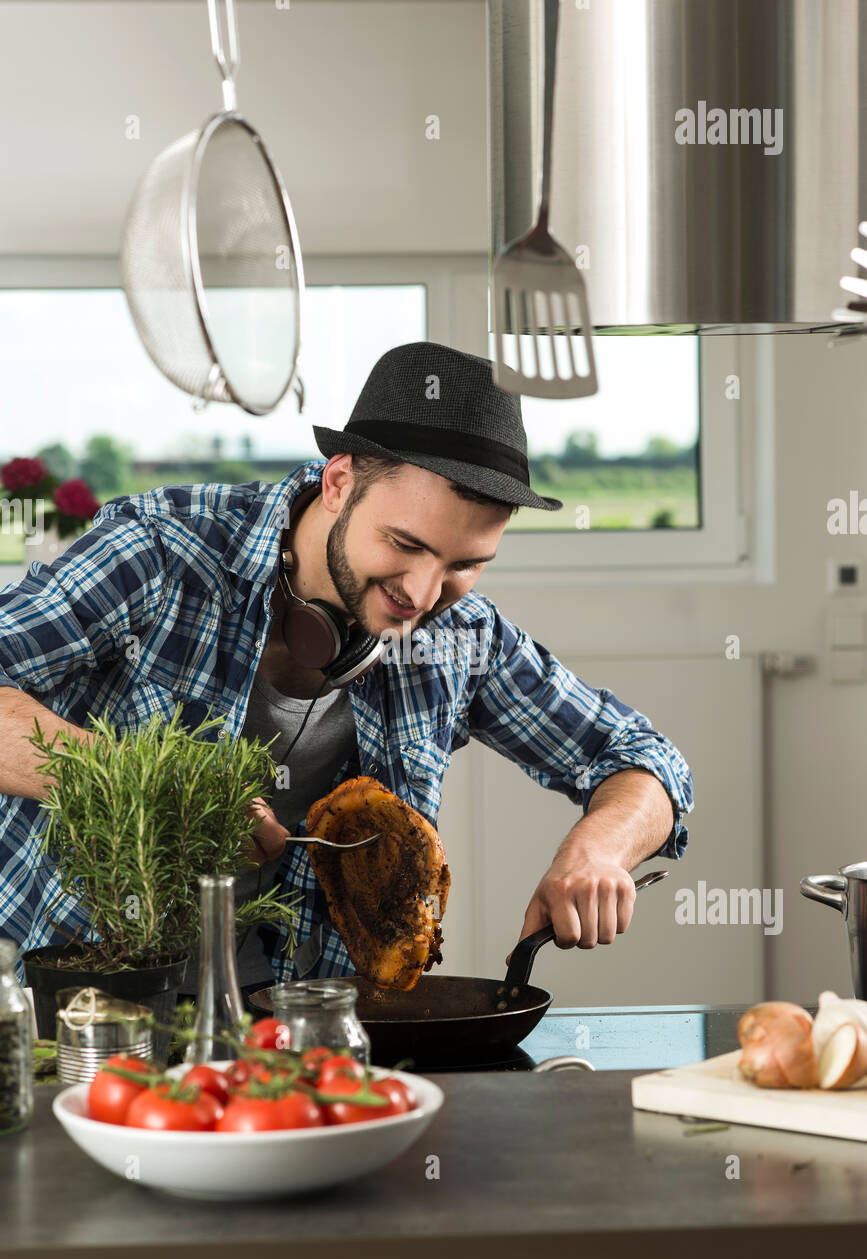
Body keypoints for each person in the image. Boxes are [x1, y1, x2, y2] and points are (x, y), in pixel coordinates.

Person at [0, 341, 693, 991]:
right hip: (73, 997)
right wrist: (162, 792)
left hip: (297, 1019)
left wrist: (598, 852)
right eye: (404, 543)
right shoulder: (159, 552)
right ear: (338, 483)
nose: (422, 596)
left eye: (463, 566)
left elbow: (642, 758)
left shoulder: (463, 635)